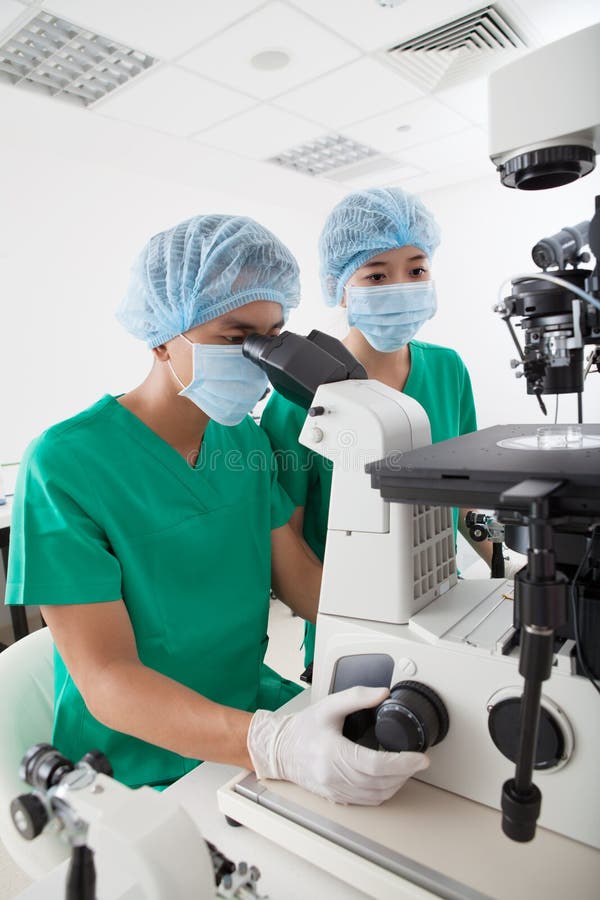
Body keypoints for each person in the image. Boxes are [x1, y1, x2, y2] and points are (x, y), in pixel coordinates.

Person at [6, 213, 428, 804]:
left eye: (273, 334)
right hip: (135, 756)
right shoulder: (66, 464)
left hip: (247, 703)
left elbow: (301, 579)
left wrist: (406, 630)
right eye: (235, 338)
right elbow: (106, 680)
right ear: (161, 336)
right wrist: (274, 745)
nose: (258, 357)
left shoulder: (244, 442)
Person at [261, 187, 492, 671]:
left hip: (443, 604)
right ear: (339, 285)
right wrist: (353, 626)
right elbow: (290, 549)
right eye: (376, 274)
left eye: (416, 269)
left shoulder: (449, 370)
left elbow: (469, 501)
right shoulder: (299, 399)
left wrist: (510, 570)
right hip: (347, 625)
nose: (401, 285)